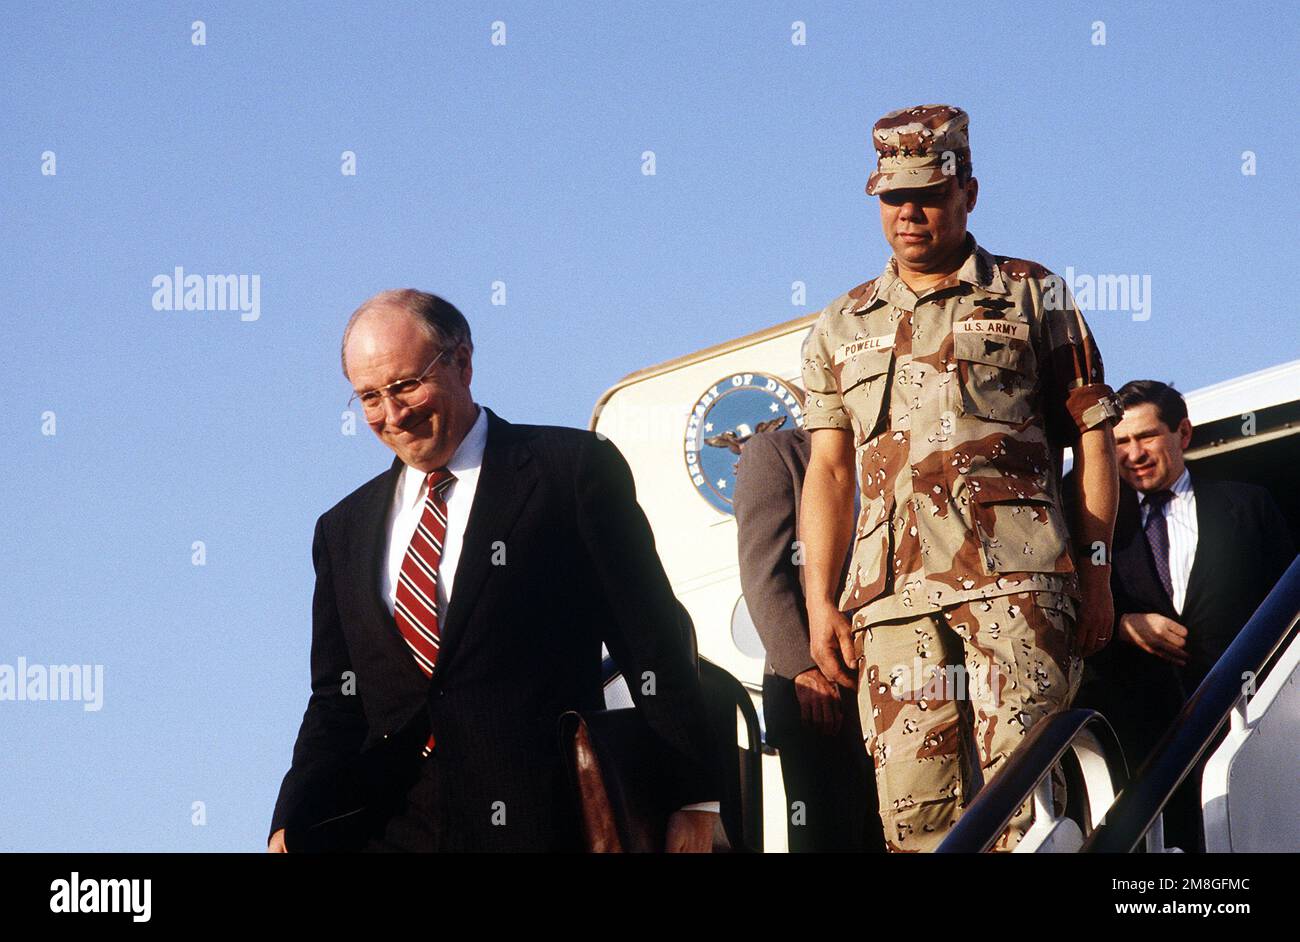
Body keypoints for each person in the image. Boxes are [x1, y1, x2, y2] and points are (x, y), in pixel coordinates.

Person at [268, 290, 719, 852]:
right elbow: (337, 699)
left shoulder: (571, 471)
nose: (393, 414)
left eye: (407, 385)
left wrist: (697, 799)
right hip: (396, 833)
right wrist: (291, 819)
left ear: (462, 360)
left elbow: (651, 642)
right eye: (370, 397)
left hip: (550, 822)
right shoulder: (342, 531)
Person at [799, 104, 1122, 852]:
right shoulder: (840, 324)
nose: (909, 214)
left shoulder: (1031, 292)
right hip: (892, 608)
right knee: (916, 824)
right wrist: (820, 601)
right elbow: (829, 468)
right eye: (893, 199)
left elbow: (1094, 437)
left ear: (967, 193)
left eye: (928, 196)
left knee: (1025, 809)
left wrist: (1097, 571)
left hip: (1015, 588)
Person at [1076, 380, 1295, 779]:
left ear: (1183, 433)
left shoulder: (1248, 505)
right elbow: (1066, 614)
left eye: (1147, 436)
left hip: (1250, 731)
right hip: (1139, 752)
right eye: (1121, 442)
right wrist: (1123, 625)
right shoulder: (1093, 525)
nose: (1134, 454)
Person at [733, 427, 886, 852]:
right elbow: (763, 572)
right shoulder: (776, 453)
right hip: (821, 698)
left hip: (897, 688)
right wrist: (802, 667)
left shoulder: (892, 444)